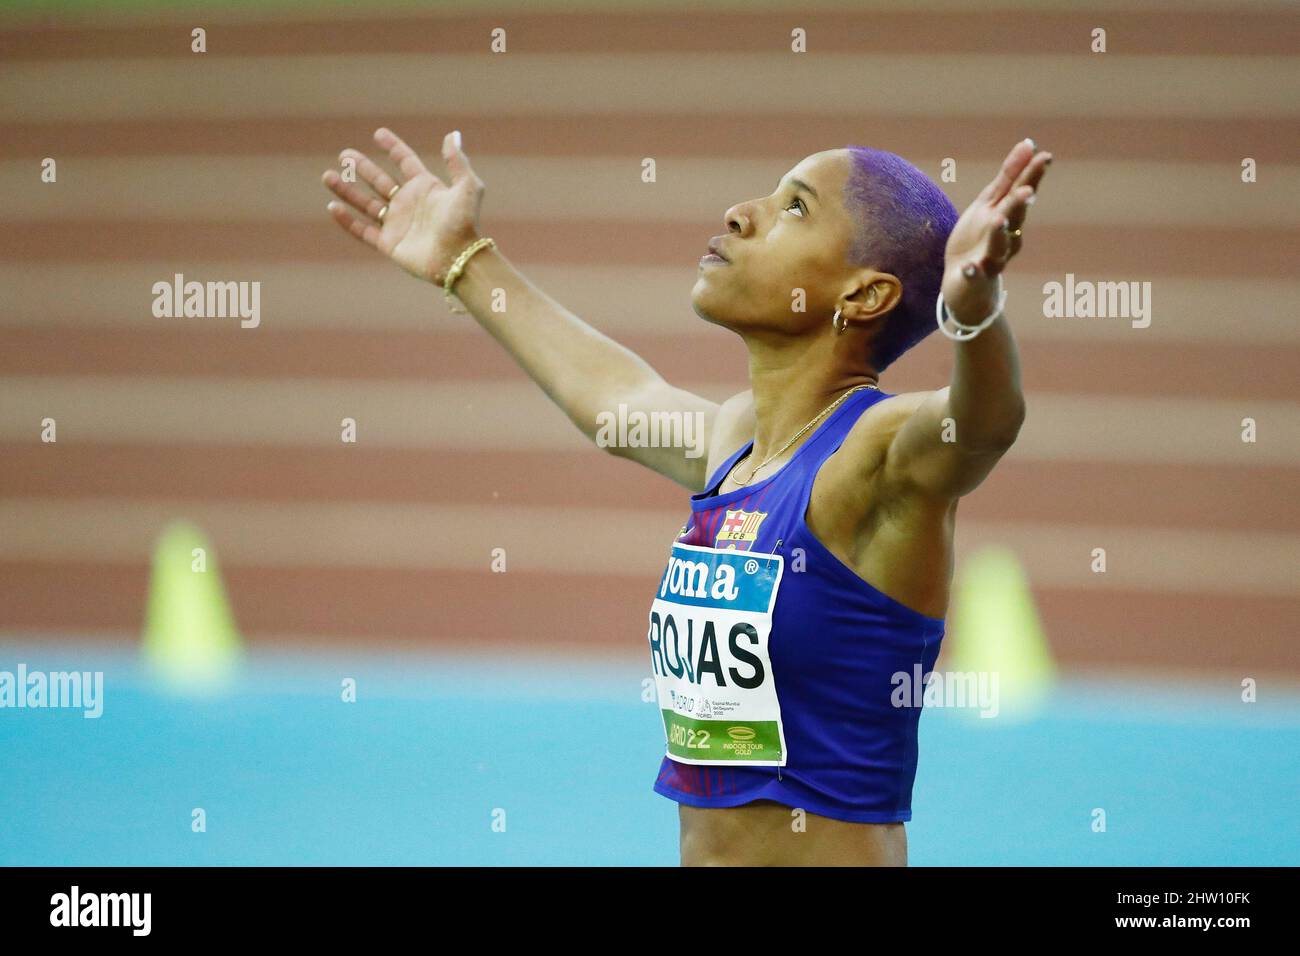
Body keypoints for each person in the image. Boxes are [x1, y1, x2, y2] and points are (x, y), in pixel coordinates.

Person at [322, 129, 1052, 866]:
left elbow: (984, 424)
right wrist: (464, 261)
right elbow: (616, 396)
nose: (741, 213)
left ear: (863, 294)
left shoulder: (875, 456)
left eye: (794, 208)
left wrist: (975, 308)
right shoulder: (737, 442)